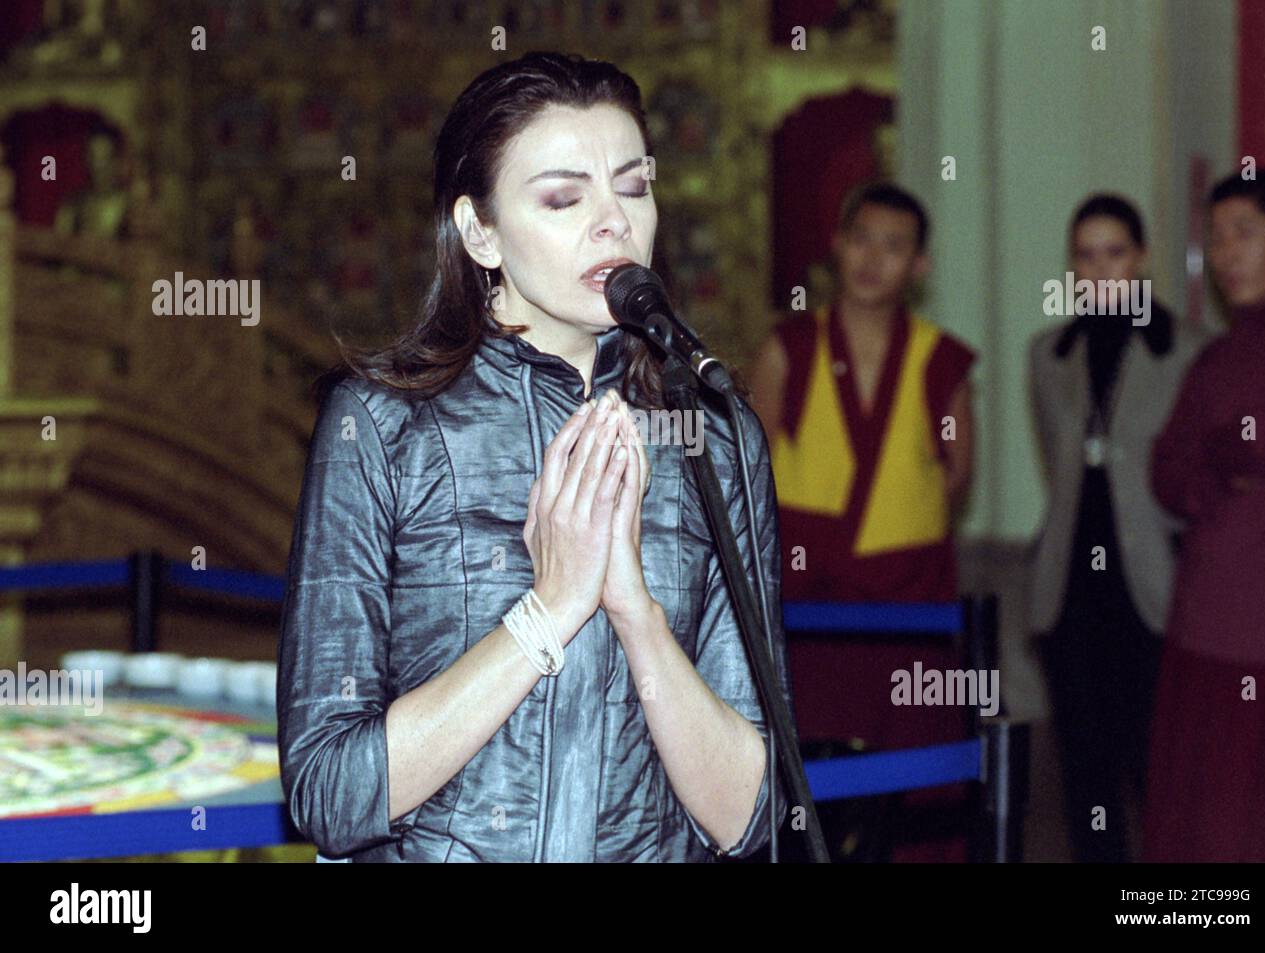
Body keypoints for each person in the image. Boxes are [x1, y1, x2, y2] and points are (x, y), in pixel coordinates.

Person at [276, 51, 795, 863]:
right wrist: (547, 611)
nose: (613, 222)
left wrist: (636, 613)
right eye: (562, 196)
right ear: (479, 231)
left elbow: (753, 816)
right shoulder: (379, 426)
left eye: (632, 186)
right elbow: (330, 796)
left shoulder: (716, 441)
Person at [748, 182, 976, 862]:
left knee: (918, 774)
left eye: (895, 245)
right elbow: (751, 475)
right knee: (805, 782)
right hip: (809, 606)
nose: (874, 259)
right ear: (838, 247)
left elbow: (956, 477)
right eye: (862, 240)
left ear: (919, 265)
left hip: (908, 601)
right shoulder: (788, 347)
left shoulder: (942, 359)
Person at [1026, 194, 1211, 863]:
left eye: (1115, 252)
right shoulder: (1049, 353)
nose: (1100, 268)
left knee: (1158, 764)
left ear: (1141, 258)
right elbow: (1064, 466)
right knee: (1084, 771)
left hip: (1156, 589)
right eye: (1085, 255)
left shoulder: (1190, 350)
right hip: (1072, 591)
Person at [1143, 168, 1265, 862]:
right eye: (1217, 238)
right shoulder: (1214, 356)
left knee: (1247, 823)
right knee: (1189, 819)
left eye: (1246, 233)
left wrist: (1207, 457)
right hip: (1203, 608)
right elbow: (1165, 471)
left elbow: (1259, 441)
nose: (1227, 253)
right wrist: (1210, 466)